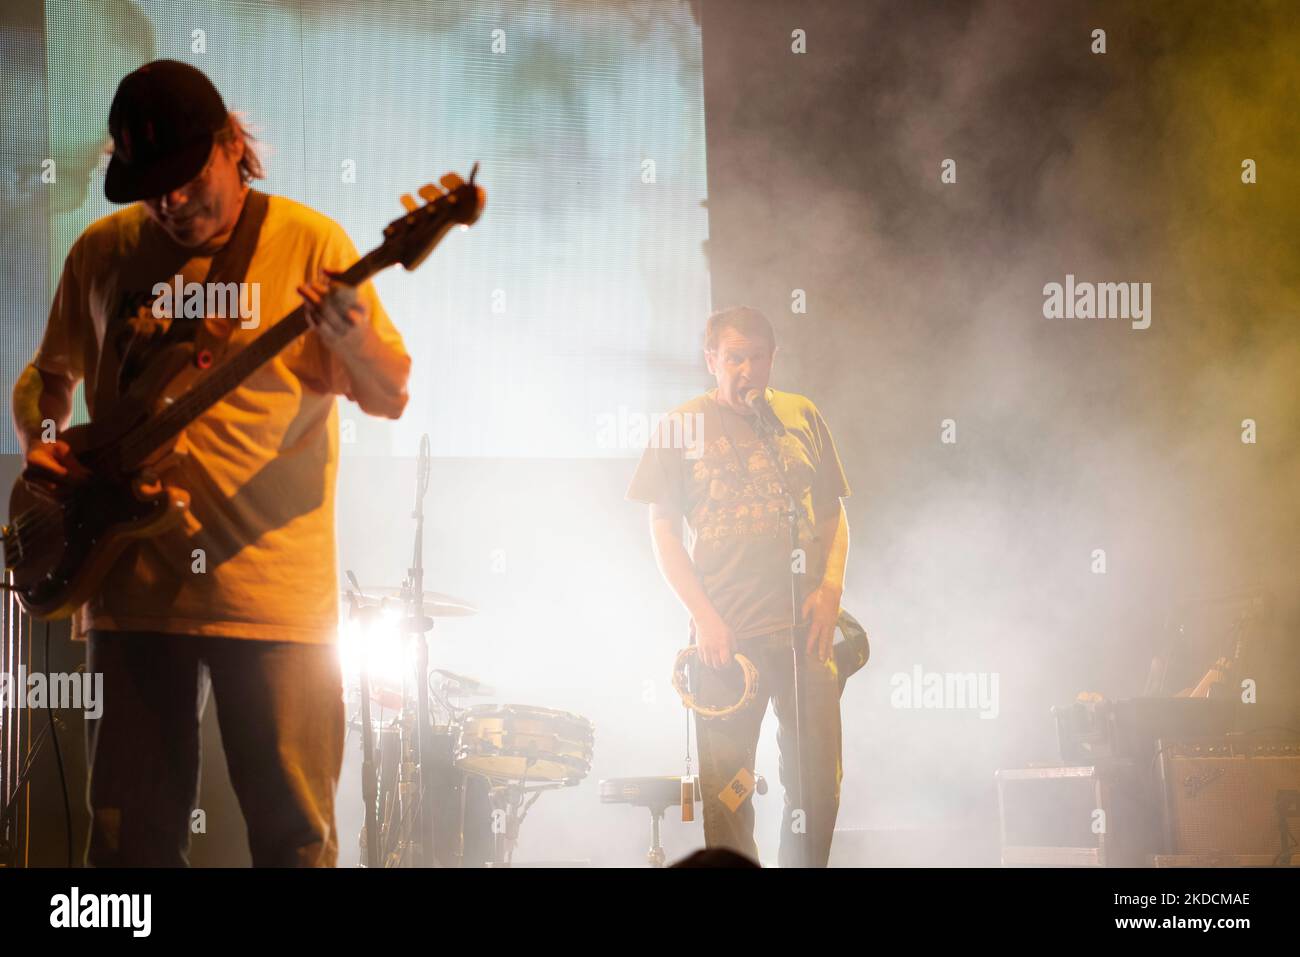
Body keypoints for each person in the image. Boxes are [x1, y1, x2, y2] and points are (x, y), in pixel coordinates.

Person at [9, 59, 411, 866]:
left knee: (294, 835)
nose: (173, 202)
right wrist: (40, 437)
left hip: (271, 592)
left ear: (233, 144)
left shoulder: (310, 243)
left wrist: (352, 339)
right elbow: (47, 375)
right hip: (128, 587)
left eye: (188, 178)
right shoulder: (103, 249)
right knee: (126, 842)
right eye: (151, 186)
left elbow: (391, 392)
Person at [627, 305, 852, 867]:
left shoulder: (801, 415)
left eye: (756, 357)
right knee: (729, 795)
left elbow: (833, 516)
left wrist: (830, 592)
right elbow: (663, 530)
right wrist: (705, 617)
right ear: (711, 361)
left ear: (772, 359)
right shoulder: (681, 425)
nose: (745, 369)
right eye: (733, 358)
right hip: (726, 642)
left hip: (806, 636)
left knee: (817, 791)